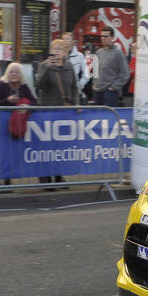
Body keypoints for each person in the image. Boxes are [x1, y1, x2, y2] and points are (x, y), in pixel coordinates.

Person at [35, 39, 77, 184]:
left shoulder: (69, 66)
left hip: (64, 112)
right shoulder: (44, 65)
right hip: (48, 111)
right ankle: (45, 176)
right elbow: (38, 85)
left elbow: (74, 87)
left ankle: (58, 175)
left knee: (61, 147)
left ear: (65, 52)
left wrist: (76, 105)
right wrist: (47, 68)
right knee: (48, 147)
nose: (58, 52)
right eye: (55, 49)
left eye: (60, 49)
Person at [93, 27, 130, 106]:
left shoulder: (118, 53)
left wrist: (114, 87)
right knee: (96, 116)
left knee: (108, 116)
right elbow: (95, 70)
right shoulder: (98, 52)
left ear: (112, 38)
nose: (102, 38)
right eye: (101, 36)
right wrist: (94, 84)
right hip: (97, 91)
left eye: (105, 36)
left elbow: (125, 74)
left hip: (110, 93)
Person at [61, 32, 92, 103]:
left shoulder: (79, 56)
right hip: (61, 92)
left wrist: (79, 87)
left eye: (67, 39)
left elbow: (86, 75)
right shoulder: (59, 56)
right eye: (63, 39)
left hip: (74, 92)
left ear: (72, 41)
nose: (65, 41)